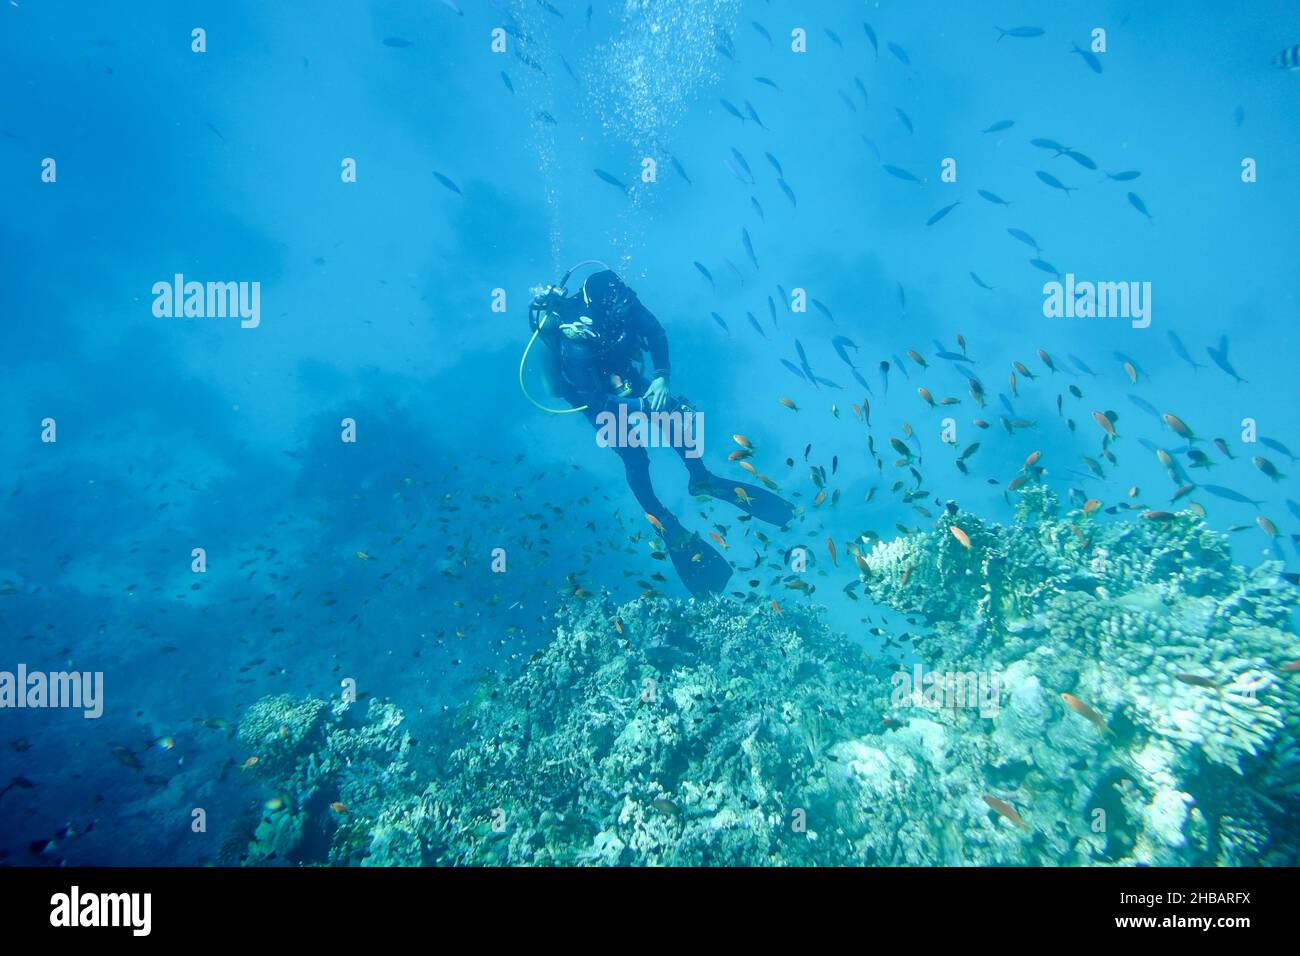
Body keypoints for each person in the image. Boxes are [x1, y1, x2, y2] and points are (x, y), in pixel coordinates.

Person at [525, 267, 793, 596]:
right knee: (634, 455)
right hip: (588, 393)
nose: (627, 310)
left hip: (620, 372)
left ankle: (701, 478)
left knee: (670, 416)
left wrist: (662, 376)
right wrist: (642, 406)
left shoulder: (625, 305)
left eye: (627, 304)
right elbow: (594, 399)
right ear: (600, 308)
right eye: (620, 308)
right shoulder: (575, 342)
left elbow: (656, 334)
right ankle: (661, 517)